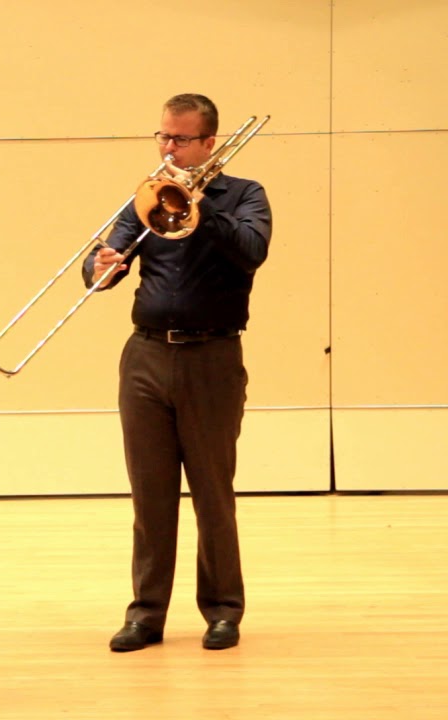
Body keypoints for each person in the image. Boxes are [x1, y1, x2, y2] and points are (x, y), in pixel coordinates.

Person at [83, 93, 272, 651]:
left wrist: (199, 205)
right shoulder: (145, 198)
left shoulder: (244, 195)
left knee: (213, 493)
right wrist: (99, 267)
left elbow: (251, 251)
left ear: (209, 143)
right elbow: (105, 263)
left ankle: (223, 611)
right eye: (163, 136)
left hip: (212, 357)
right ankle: (146, 615)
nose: (168, 147)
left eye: (181, 139)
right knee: (150, 495)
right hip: (145, 357)